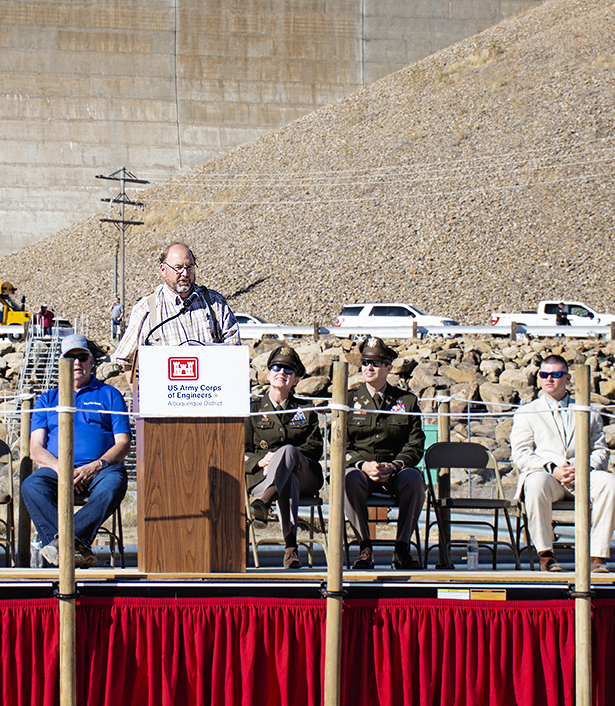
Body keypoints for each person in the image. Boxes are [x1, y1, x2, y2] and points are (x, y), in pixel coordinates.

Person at [22, 333, 131, 567]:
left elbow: (123, 443)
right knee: (32, 485)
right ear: (61, 363)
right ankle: (72, 547)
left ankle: (61, 546)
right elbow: (35, 448)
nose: (77, 363)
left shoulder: (110, 394)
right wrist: (61, 470)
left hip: (100, 469)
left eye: (82, 357)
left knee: (114, 484)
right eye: (70, 358)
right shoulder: (47, 399)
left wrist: (97, 465)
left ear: (92, 361)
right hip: (57, 469)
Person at [510, 355, 615, 573]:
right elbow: (521, 454)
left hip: (582, 473)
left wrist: (581, 468)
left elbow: (600, 450)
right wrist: (553, 468)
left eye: (556, 374)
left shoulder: (588, 410)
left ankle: (597, 556)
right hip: (548, 476)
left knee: (611, 483)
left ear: (568, 378)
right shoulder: (526, 412)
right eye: (544, 375)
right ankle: (546, 555)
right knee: (534, 483)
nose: (549, 379)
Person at [342, 337, 426, 570]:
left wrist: (396, 465)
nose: (369, 368)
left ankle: (402, 549)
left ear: (389, 367)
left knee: (414, 480)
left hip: (395, 472)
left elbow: (416, 443)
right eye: (365, 362)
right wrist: (362, 465)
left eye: (376, 363)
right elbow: (340, 444)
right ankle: (364, 548)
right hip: (361, 472)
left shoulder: (406, 401)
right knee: (349, 478)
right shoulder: (348, 400)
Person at [245, 345, 323, 569]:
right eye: (276, 367)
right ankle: (291, 549)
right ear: (268, 374)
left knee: (288, 451)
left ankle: (264, 503)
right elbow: (241, 450)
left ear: (297, 379)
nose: (282, 373)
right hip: (262, 476)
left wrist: (284, 459)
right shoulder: (252, 409)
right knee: (287, 480)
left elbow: (315, 446)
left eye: (289, 370)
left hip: (305, 475)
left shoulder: (305, 409)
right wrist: (261, 460)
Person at [112, 241, 238, 365]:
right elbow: (126, 360)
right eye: (178, 268)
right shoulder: (146, 309)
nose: (185, 273)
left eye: (189, 267)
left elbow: (234, 350)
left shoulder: (215, 302)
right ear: (163, 269)